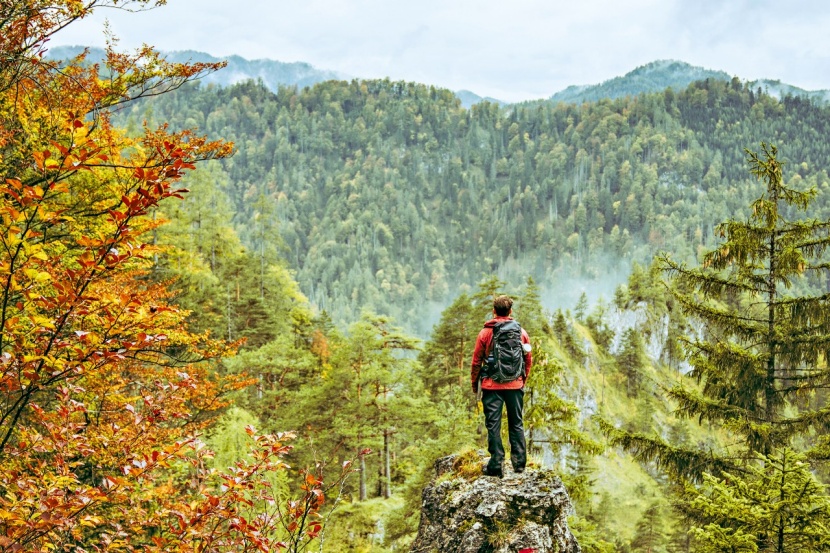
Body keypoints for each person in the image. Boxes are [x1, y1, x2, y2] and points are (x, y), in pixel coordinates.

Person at [471, 295, 532, 478]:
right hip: (515, 385)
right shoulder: (521, 332)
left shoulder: (484, 333)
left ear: (494, 311)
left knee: (494, 426)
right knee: (516, 423)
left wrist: (476, 384)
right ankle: (519, 464)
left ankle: (496, 465)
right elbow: (528, 359)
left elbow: (476, 362)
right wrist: (522, 379)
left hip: (491, 386)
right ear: (510, 311)